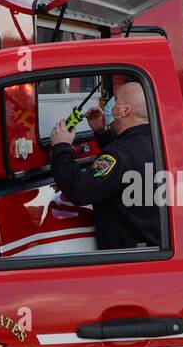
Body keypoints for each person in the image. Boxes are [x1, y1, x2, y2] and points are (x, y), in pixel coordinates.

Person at [49, 81, 160, 250]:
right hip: (153, 249)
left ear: (125, 110)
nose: (109, 105)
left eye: (115, 100)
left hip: (129, 259)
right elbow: (126, 159)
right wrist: (103, 132)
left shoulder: (118, 154)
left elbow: (80, 190)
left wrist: (61, 147)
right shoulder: (158, 142)